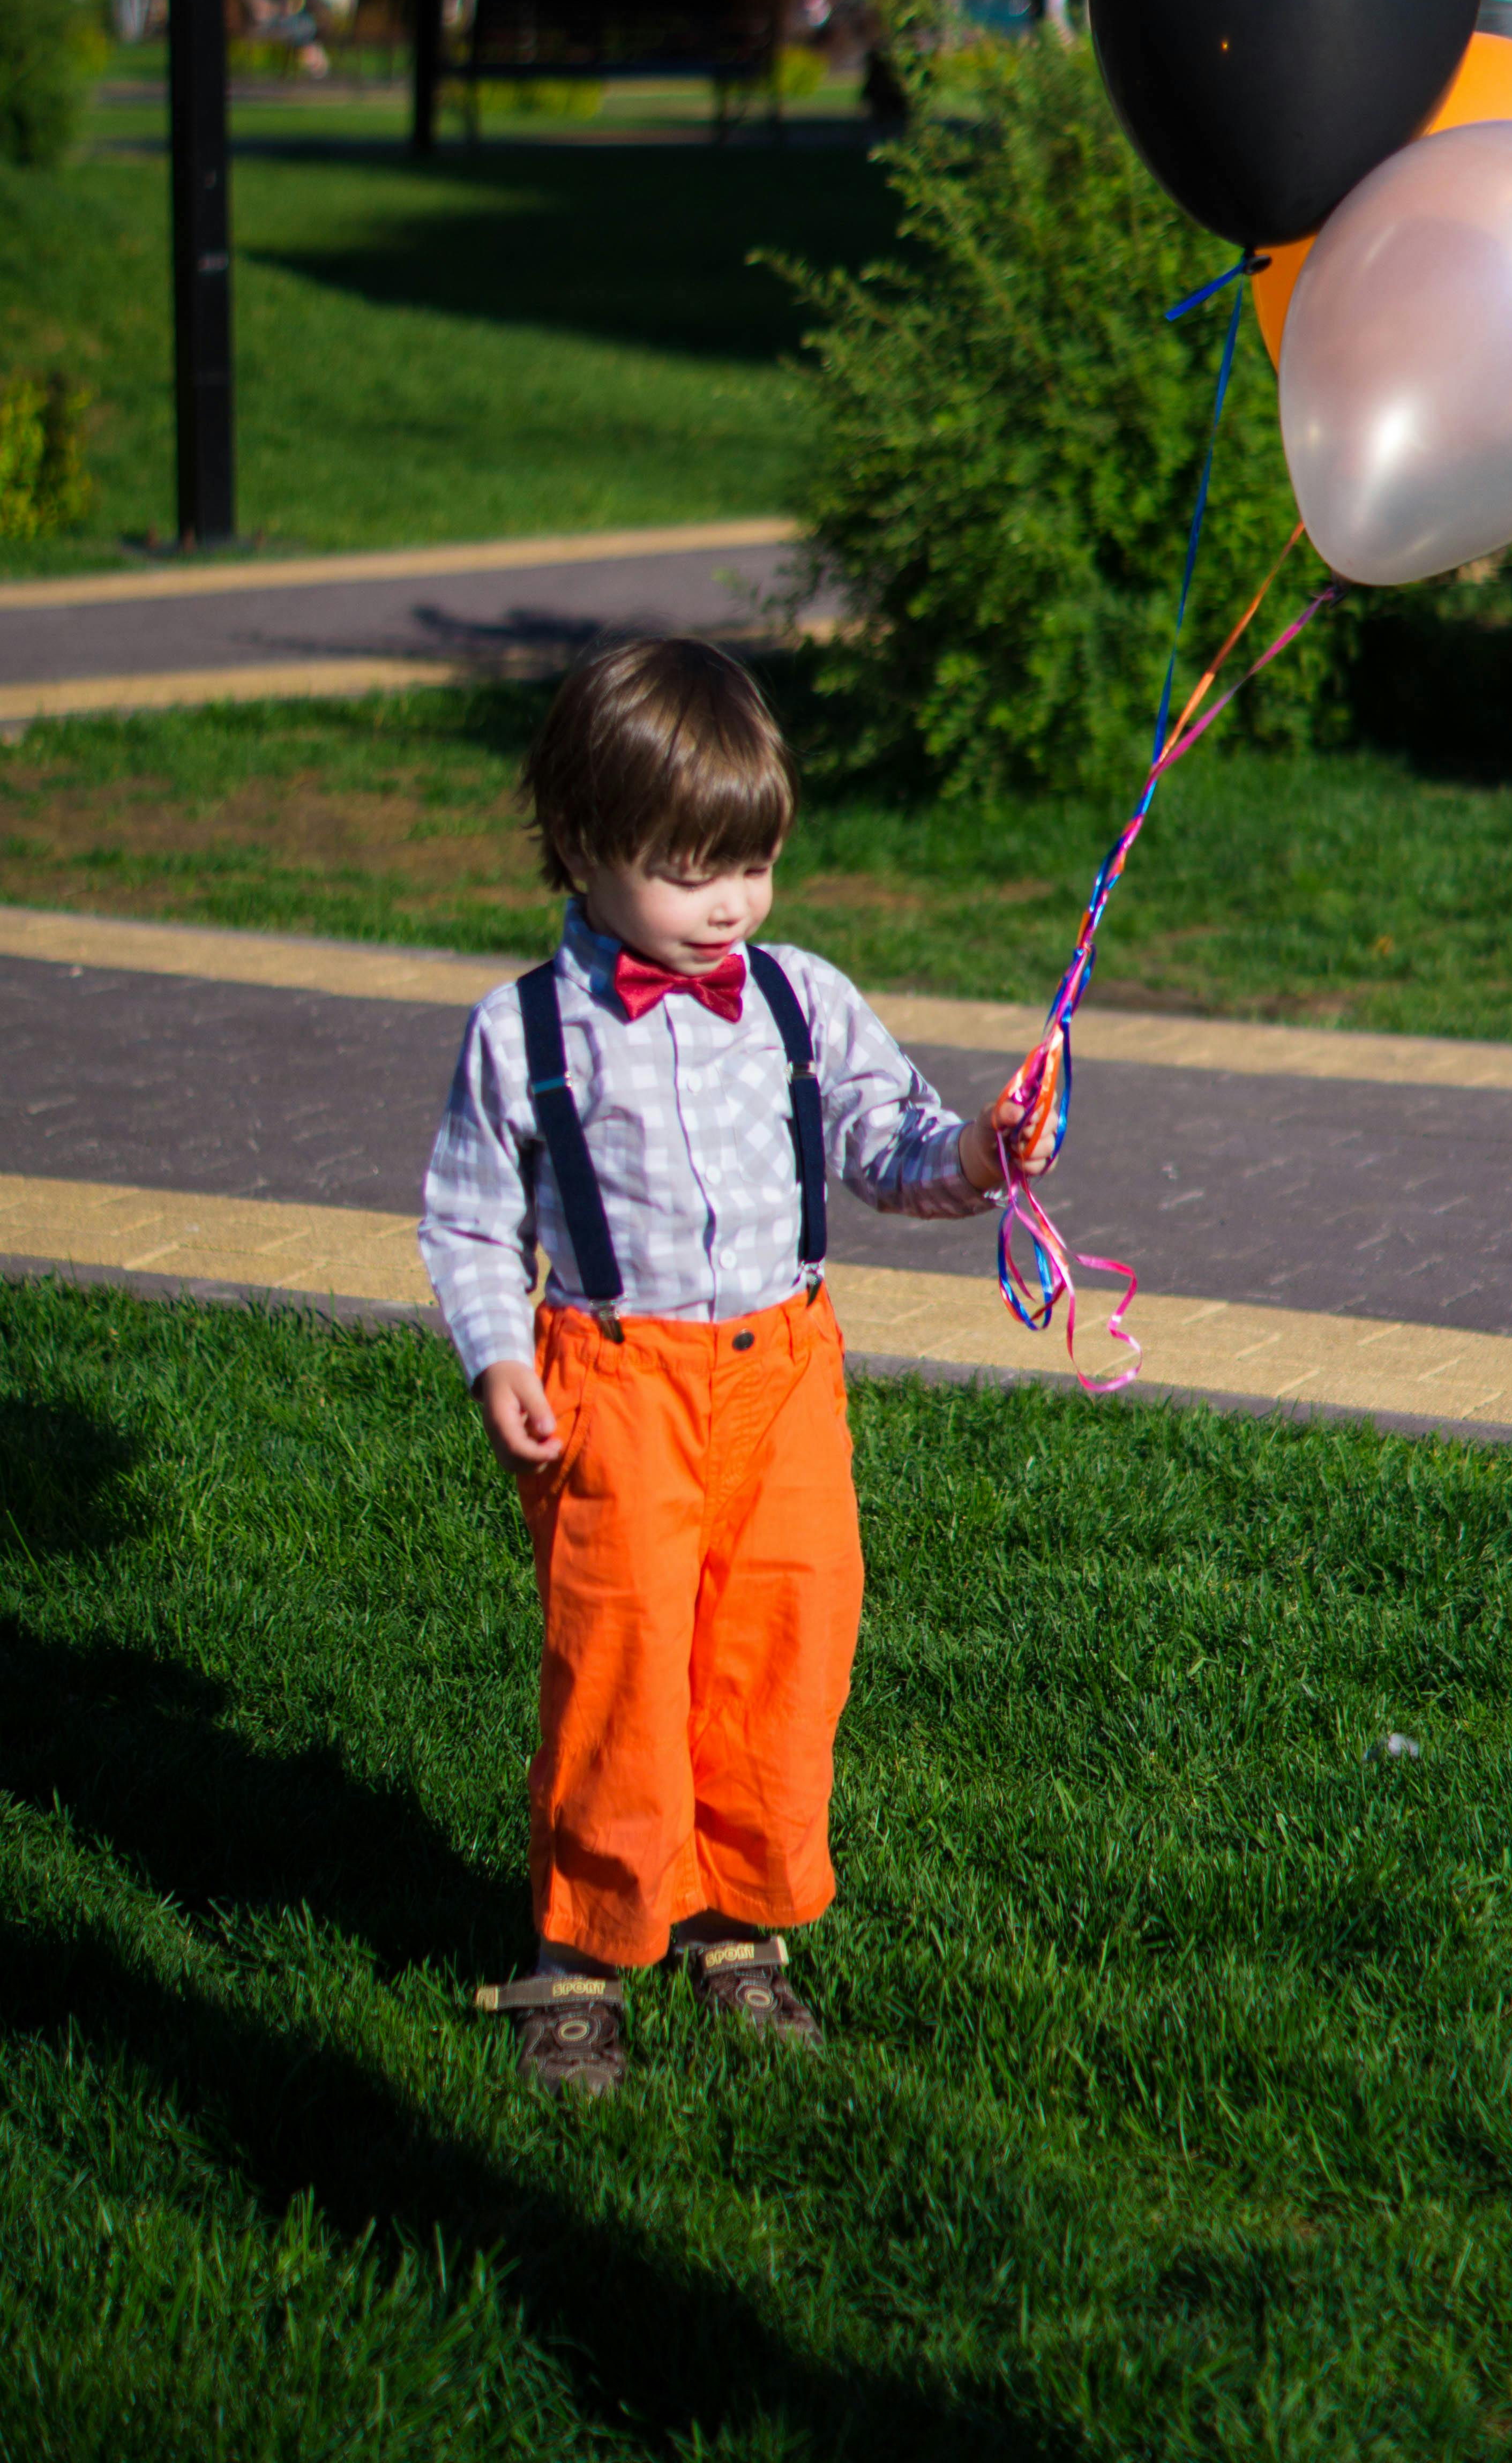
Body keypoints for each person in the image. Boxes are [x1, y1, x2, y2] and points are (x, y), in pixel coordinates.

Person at [420, 638, 1045, 2095]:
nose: (733, 904)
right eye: (693, 870)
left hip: (785, 1377)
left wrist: (980, 1150)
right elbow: (466, 1217)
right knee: (621, 1655)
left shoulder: (797, 1000)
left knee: (786, 1639)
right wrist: (496, 1350)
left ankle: (739, 1922)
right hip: (614, 1380)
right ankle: (579, 1955)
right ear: (582, 849)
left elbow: (893, 1146)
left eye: (753, 867)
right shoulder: (519, 1036)